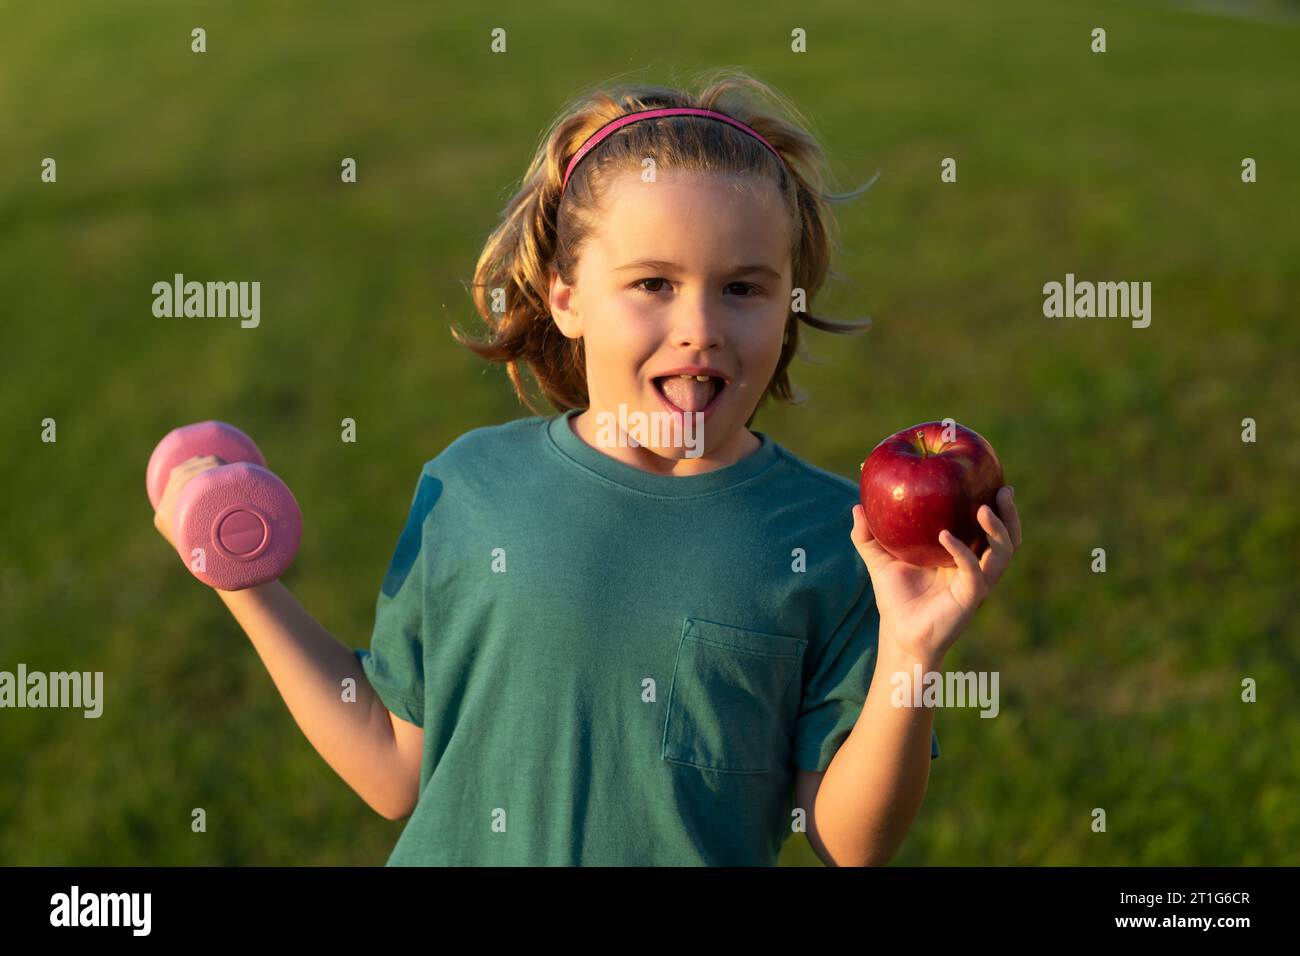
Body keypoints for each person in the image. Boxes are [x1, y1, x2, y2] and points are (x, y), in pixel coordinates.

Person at [153, 69, 1022, 866]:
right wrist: (243, 581)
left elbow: (848, 843)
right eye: (653, 284)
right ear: (566, 295)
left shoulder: (839, 544)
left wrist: (910, 651)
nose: (702, 326)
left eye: (744, 288)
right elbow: (393, 766)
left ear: (789, 304)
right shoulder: (471, 489)